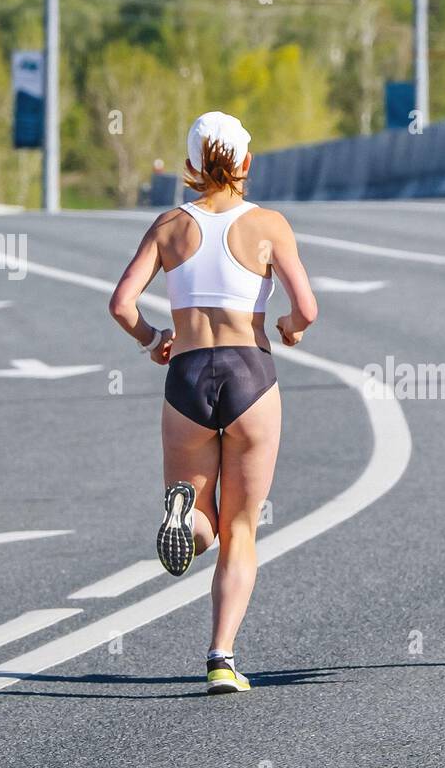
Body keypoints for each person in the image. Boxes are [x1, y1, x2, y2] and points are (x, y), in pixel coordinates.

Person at [109, 111, 318, 694]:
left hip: (188, 375)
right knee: (243, 527)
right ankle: (222, 657)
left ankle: (184, 520)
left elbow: (122, 304)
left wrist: (154, 341)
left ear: (192, 164)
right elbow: (307, 308)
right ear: (246, 162)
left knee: (202, 517)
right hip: (250, 372)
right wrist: (291, 328)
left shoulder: (170, 226)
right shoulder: (270, 225)